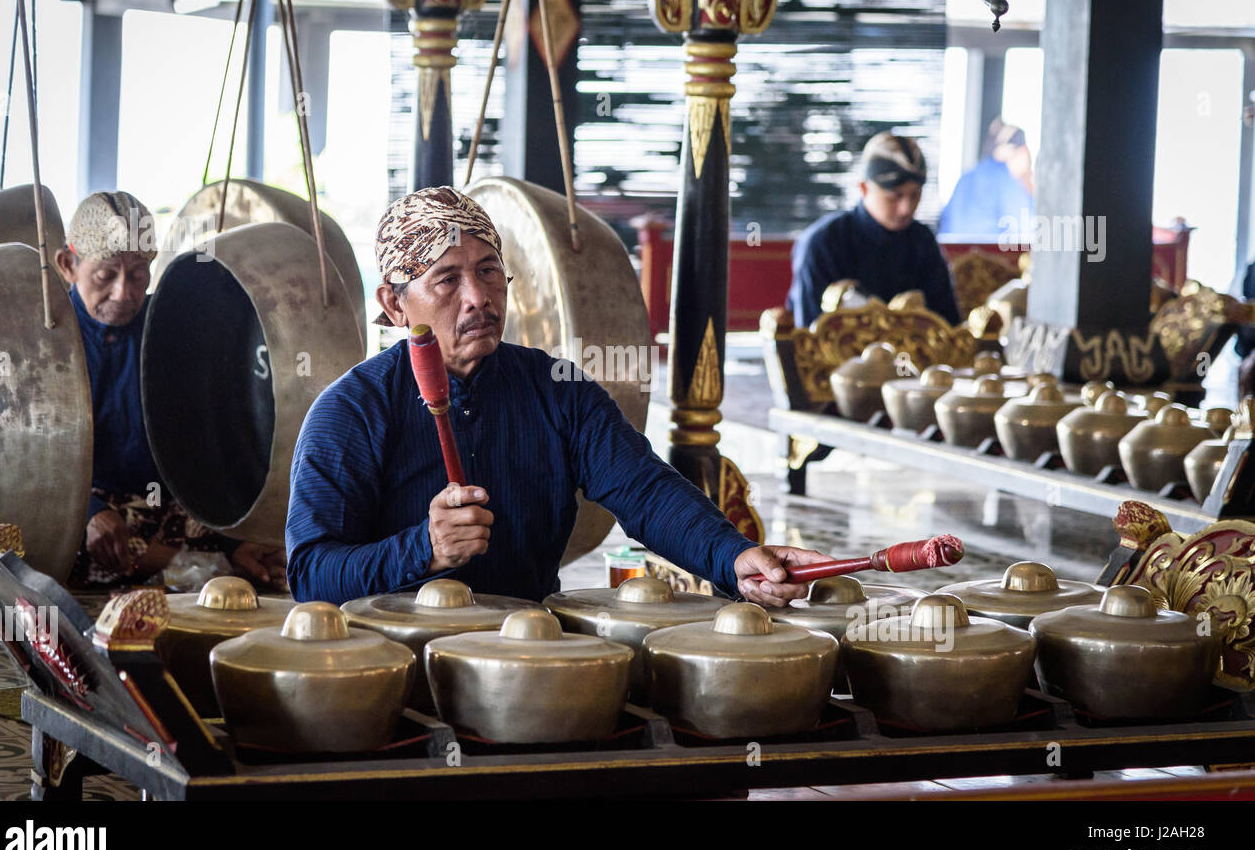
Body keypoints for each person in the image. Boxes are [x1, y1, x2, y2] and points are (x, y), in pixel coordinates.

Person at [286, 186, 828, 607]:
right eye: (447, 280)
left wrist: (734, 558)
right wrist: (422, 549)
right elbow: (312, 574)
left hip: (530, 661)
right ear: (395, 303)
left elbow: (644, 490)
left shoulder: (557, 390)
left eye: (488, 270)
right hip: (394, 666)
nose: (478, 297)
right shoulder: (351, 411)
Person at [57, 191, 286, 589]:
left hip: (163, 507)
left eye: (138, 274)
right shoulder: (42, 343)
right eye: (105, 275)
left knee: (257, 535)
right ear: (68, 264)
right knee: (64, 540)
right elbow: (27, 460)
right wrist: (90, 511)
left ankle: (207, 563)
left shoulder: (168, 326)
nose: (123, 293)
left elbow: (203, 445)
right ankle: (194, 568)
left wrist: (233, 538)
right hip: (79, 509)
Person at [786, 132, 960, 328]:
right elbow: (808, 334)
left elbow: (947, 324)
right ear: (864, 188)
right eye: (895, 196)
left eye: (915, 195)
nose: (907, 208)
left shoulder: (922, 240)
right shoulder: (823, 242)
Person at [937, 119, 1035, 239]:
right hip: (994, 256)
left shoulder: (965, 179)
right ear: (1019, 152)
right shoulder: (1006, 180)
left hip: (956, 256)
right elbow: (1027, 232)